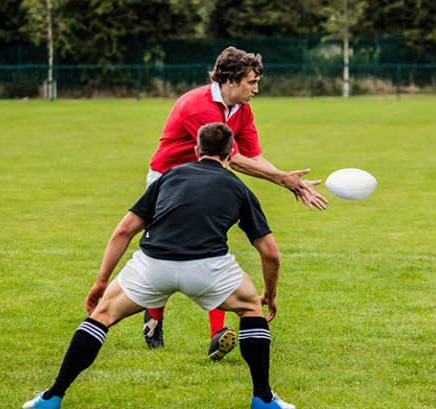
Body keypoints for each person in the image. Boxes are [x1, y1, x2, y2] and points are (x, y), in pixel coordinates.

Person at [22, 123, 295, 409]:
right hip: (208, 268)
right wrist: (269, 295)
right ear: (230, 155)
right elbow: (270, 254)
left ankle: (52, 397)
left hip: (153, 264)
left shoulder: (169, 176)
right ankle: (263, 400)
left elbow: (124, 231)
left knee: (101, 316)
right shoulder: (239, 186)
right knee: (251, 310)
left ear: (195, 150)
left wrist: (101, 282)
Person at [142, 46, 328, 360]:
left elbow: (253, 154)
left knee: (211, 247)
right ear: (230, 80)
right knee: (168, 256)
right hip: (168, 183)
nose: (256, 89)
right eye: (251, 82)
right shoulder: (197, 107)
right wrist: (283, 178)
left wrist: (288, 180)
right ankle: (154, 316)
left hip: (207, 182)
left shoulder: (241, 108)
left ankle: (217, 334)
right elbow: (234, 159)